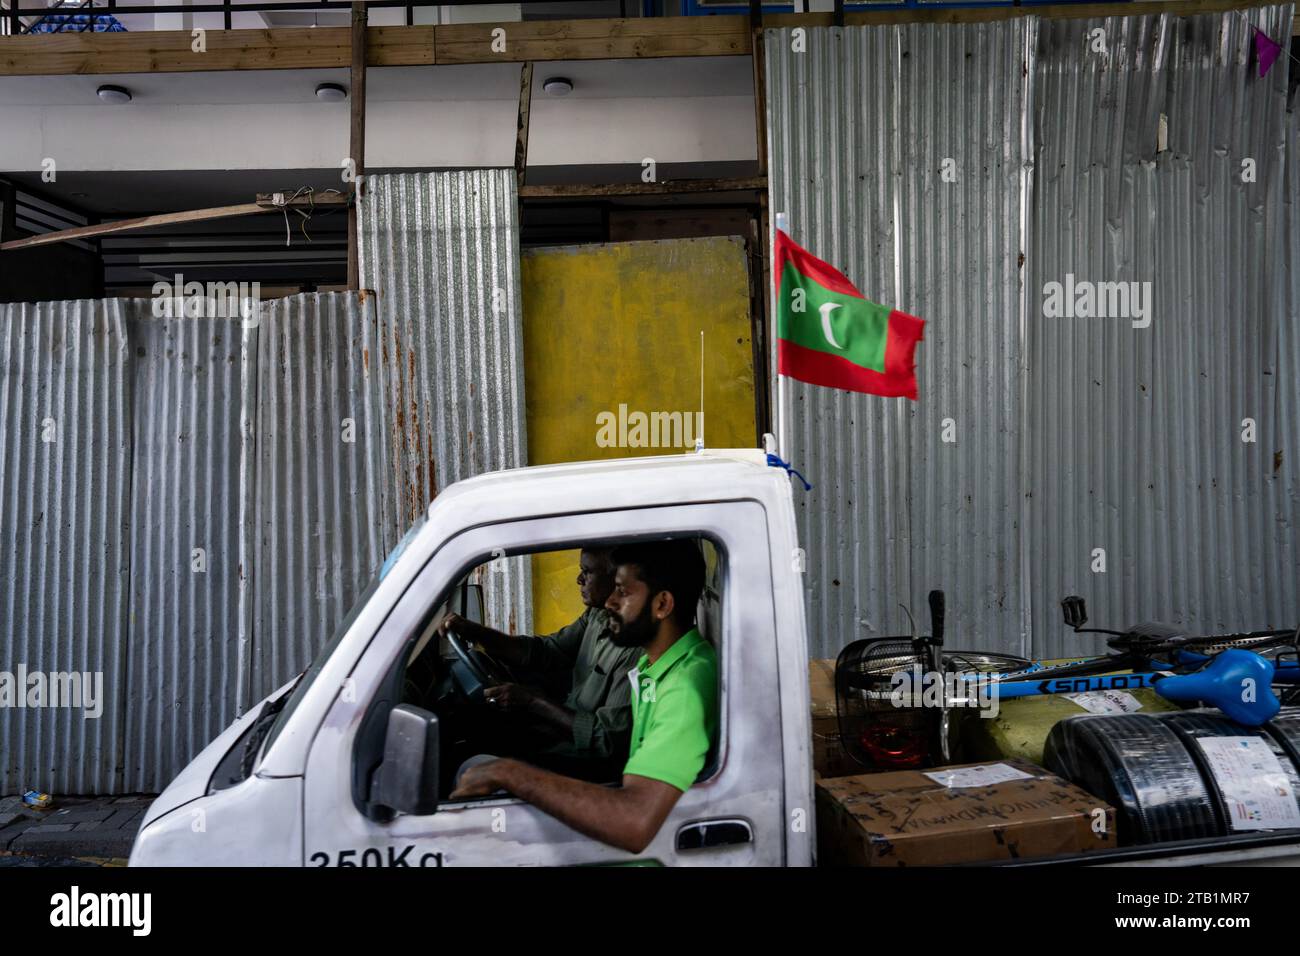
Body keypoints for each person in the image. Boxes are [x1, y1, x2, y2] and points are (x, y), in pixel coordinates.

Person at [450, 539, 718, 855]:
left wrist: (507, 771)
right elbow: (545, 653)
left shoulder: (685, 686)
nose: (610, 603)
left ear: (662, 605)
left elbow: (634, 821)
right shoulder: (654, 662)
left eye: (623, 592)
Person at [439, 547, 639, 778]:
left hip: (581, 761)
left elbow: (605, 741)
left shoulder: (635, 649)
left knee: (468, 768)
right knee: (472, 742)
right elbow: (544, 652)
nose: (579, 580)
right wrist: (475, 631)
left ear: (618, 581)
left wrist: (532, 701)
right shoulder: (597, 616)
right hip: (558, 735)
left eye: (588, 572)